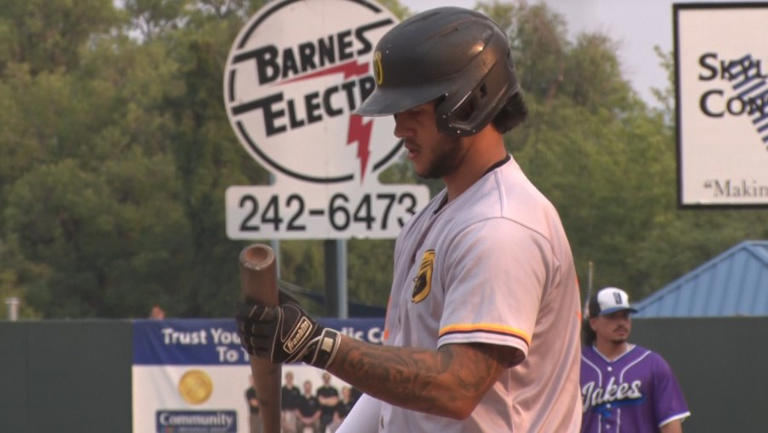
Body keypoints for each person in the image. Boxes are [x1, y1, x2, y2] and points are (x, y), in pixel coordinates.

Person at [237, 6, 582, 432]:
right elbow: (396, 395)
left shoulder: (502, 226)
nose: (399, 129)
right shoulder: (434, 218)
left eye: (413, 111)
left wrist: (317, 345)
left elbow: (456, 388)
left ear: (469, 101)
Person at [581, 287, 691, 433]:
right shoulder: (575, 366)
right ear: (593, 323)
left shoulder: (653, 365)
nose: (621, 323)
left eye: (625, 316)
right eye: (612, 317)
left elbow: (670, 425)